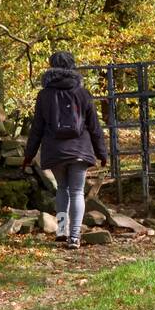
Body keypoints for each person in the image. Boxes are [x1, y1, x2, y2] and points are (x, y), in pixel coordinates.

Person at [23, 51, 107, 249]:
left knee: (62, 189)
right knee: (77, 191)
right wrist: (102, 153)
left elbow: (37, 128)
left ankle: (62, 230)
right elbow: (94, 127)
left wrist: (29, 154)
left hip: (55, 150)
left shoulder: (44, 95)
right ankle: (75, 237)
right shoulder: (83, 93)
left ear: (51, 67)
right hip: (80, 149)